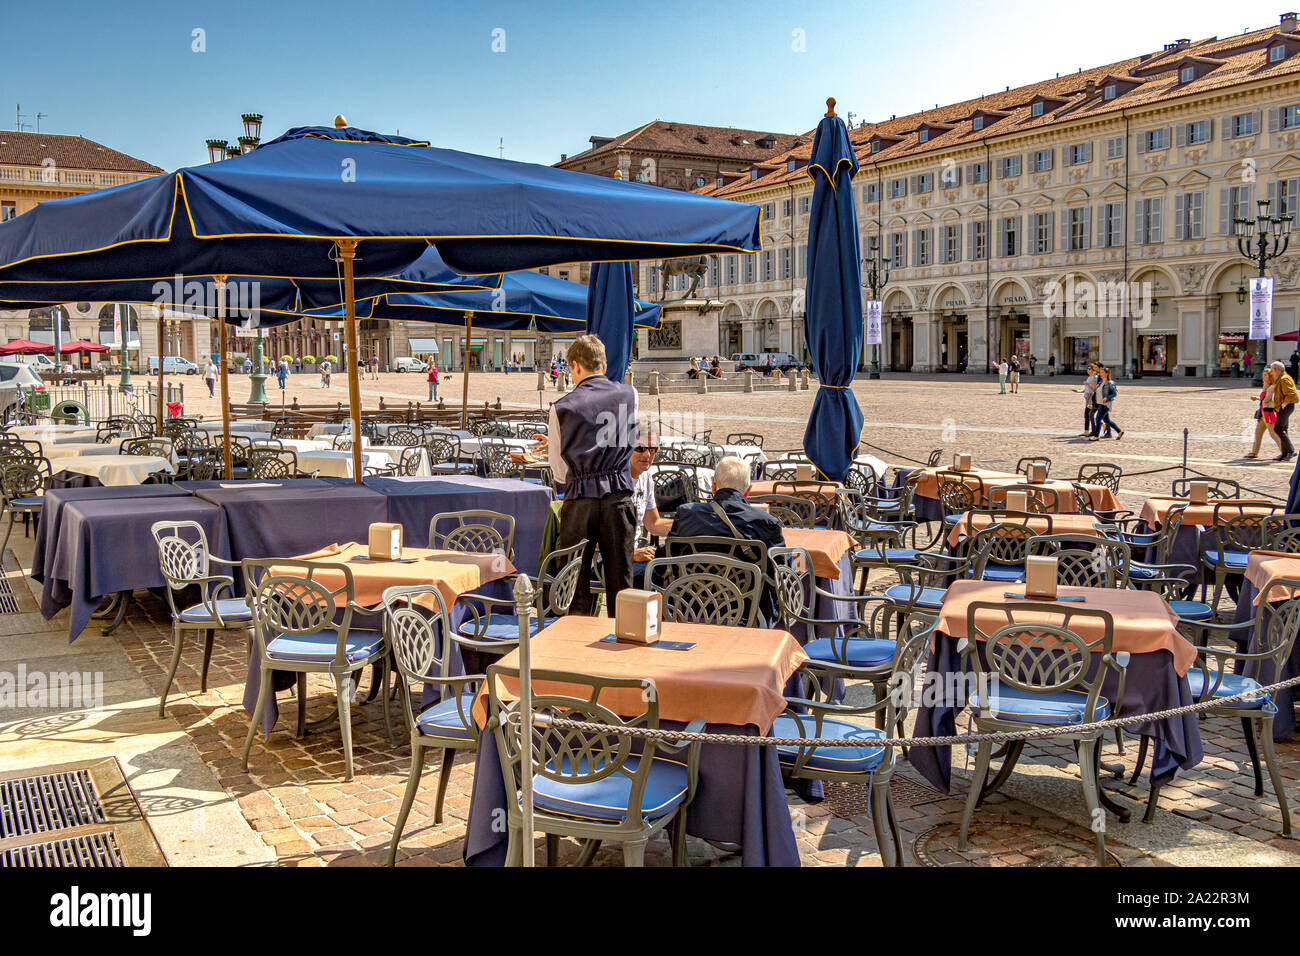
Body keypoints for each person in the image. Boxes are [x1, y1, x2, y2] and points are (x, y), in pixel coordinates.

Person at [533, 335, 639, 616]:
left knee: (575, 580)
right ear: (603, 365)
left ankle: (576, 642)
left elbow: (558, 470)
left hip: (580, 497)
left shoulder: (561, 407)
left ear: (575, 366)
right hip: (618, 493)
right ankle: (625, 639)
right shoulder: (630, 394)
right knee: (621, 576)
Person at [666, 455, 785, 623]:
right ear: (748, 491)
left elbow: (668, 558)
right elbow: (780, 570)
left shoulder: (686, 513)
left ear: (714, 485)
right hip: (746, 612)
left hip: (690, 606)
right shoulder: (765, 522)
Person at [629, 429, 674, 584]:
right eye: (640, 448)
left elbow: (654, 524)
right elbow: (593, 535)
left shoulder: (646, 476)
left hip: (636, 555)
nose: (647, 455)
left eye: (652, 449)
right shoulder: (613, 479)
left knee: (681, 564)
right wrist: (631, 553)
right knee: (667, 576)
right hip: (609, 561)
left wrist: (690, 524)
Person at [1246, 366, 1281, 459]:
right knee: (1258, 433)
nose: (1263, 377)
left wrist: (1263, 392)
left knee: (1273, 434)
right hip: (1263, 414)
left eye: (1265, 375)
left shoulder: (1272, 387)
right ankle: (1254, 452)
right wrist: (1257, 398)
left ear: (1270, 376)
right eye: (1263, 375)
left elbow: (1267, 399)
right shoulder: (1266, 386)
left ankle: (1284, 451)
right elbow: (1263, 399)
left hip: (1269, 414)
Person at [1271, 360, 1298, 461]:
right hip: (1282, 407)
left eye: (1272, 370)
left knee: (1278, 429)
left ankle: (1291, 451)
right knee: (1283, 429)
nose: (1272, 373)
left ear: (1277, 370)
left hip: (1286, 407)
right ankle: (1284, 453)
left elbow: (1292, 394)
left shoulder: (1284, 379)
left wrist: (1284, 404)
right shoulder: (1280, 378)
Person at [1089, 365, 1124, 440]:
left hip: (1105, 404)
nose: (1100, 373)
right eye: (1100, 372)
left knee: (1098, 419)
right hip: (1100, 403)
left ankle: (1096, 436)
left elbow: (1114, 393)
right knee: (1107, 420)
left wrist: (1106, 397)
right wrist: (1094, 379)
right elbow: (1095, 389)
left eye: (1102, 372)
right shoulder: (1101, 382)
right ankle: (1119, 432)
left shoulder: (1109, 383)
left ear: (1107, 373)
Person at [1079, 362, 1099, 436]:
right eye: (1087, 369)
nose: (1088, 370)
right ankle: (1088, 430)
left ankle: (1088, 431)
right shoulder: (1089, 377)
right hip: (1087, 397)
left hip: (1092, 398)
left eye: (1090, 369)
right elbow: (1086, 388)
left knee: (1088, 414)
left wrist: (1088, 384)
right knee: (1088, 414)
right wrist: (1079, 391)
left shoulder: (1095, 378)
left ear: (1094, 370)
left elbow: (1094, 388)